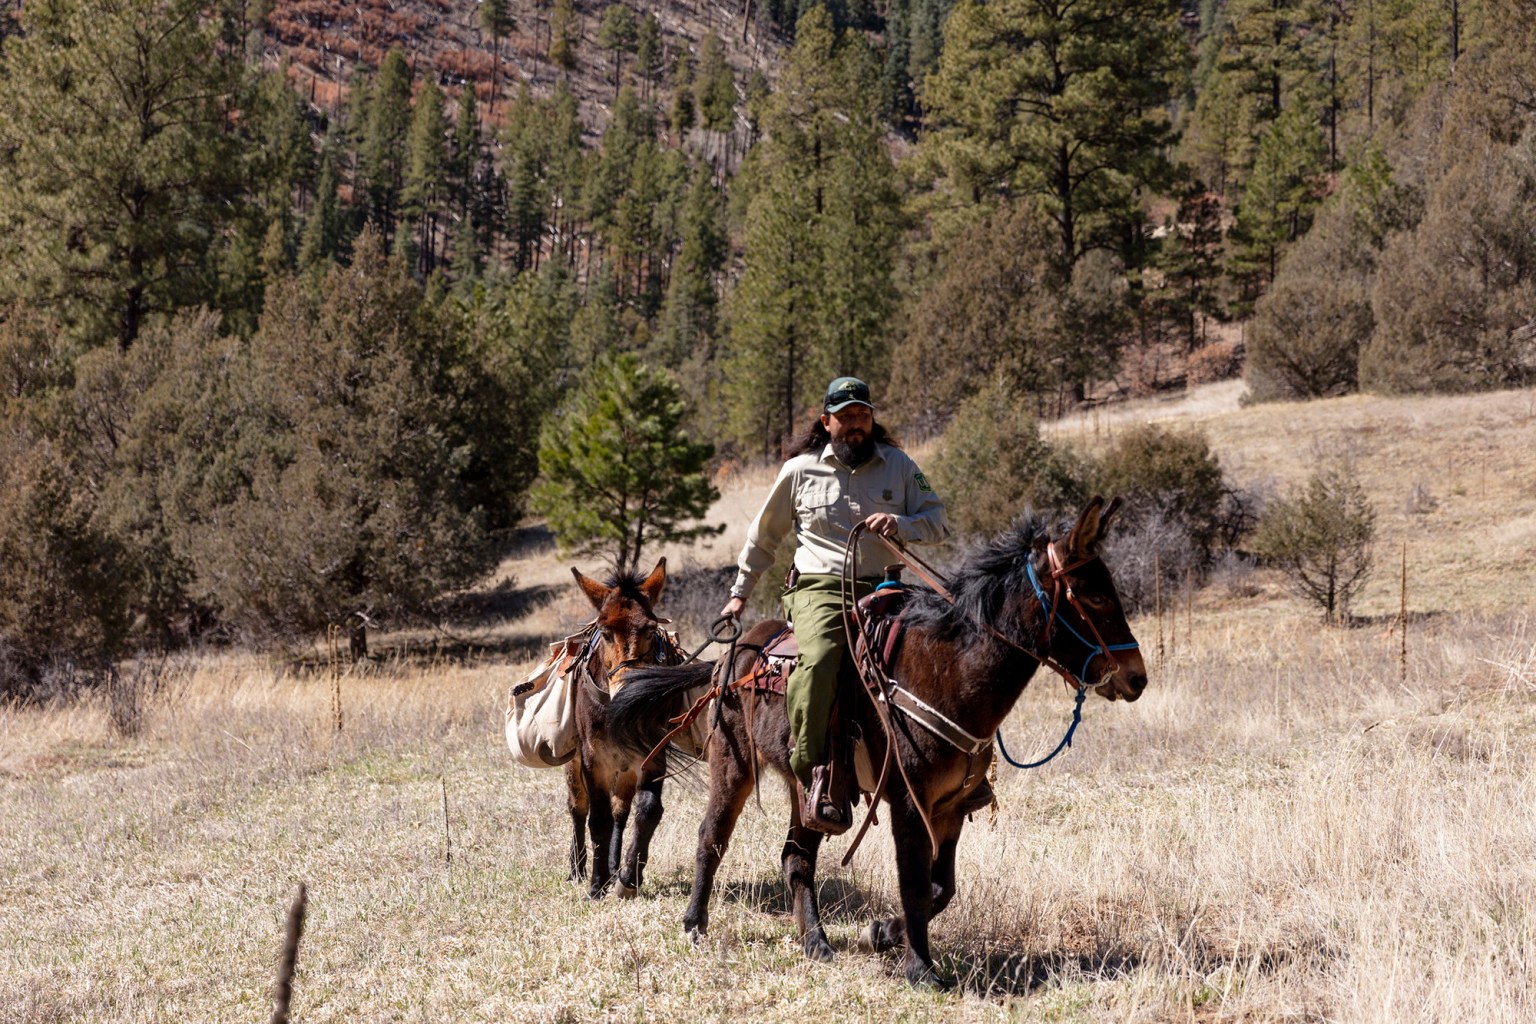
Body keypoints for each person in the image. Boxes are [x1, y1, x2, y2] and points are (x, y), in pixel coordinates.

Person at [720, 376, 949, 832]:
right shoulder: (799, 471)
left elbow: (938, 520)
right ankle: (815, 769)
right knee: (822, 659)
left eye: (862, 416)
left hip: (886, 587)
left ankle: (956, 768)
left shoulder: (901, 466)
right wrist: (738, 595)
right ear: (827, 422)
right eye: (845, 418)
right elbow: (763, 536)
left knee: (945, 651)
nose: (856, 425)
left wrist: (901, 522)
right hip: (819, 587)